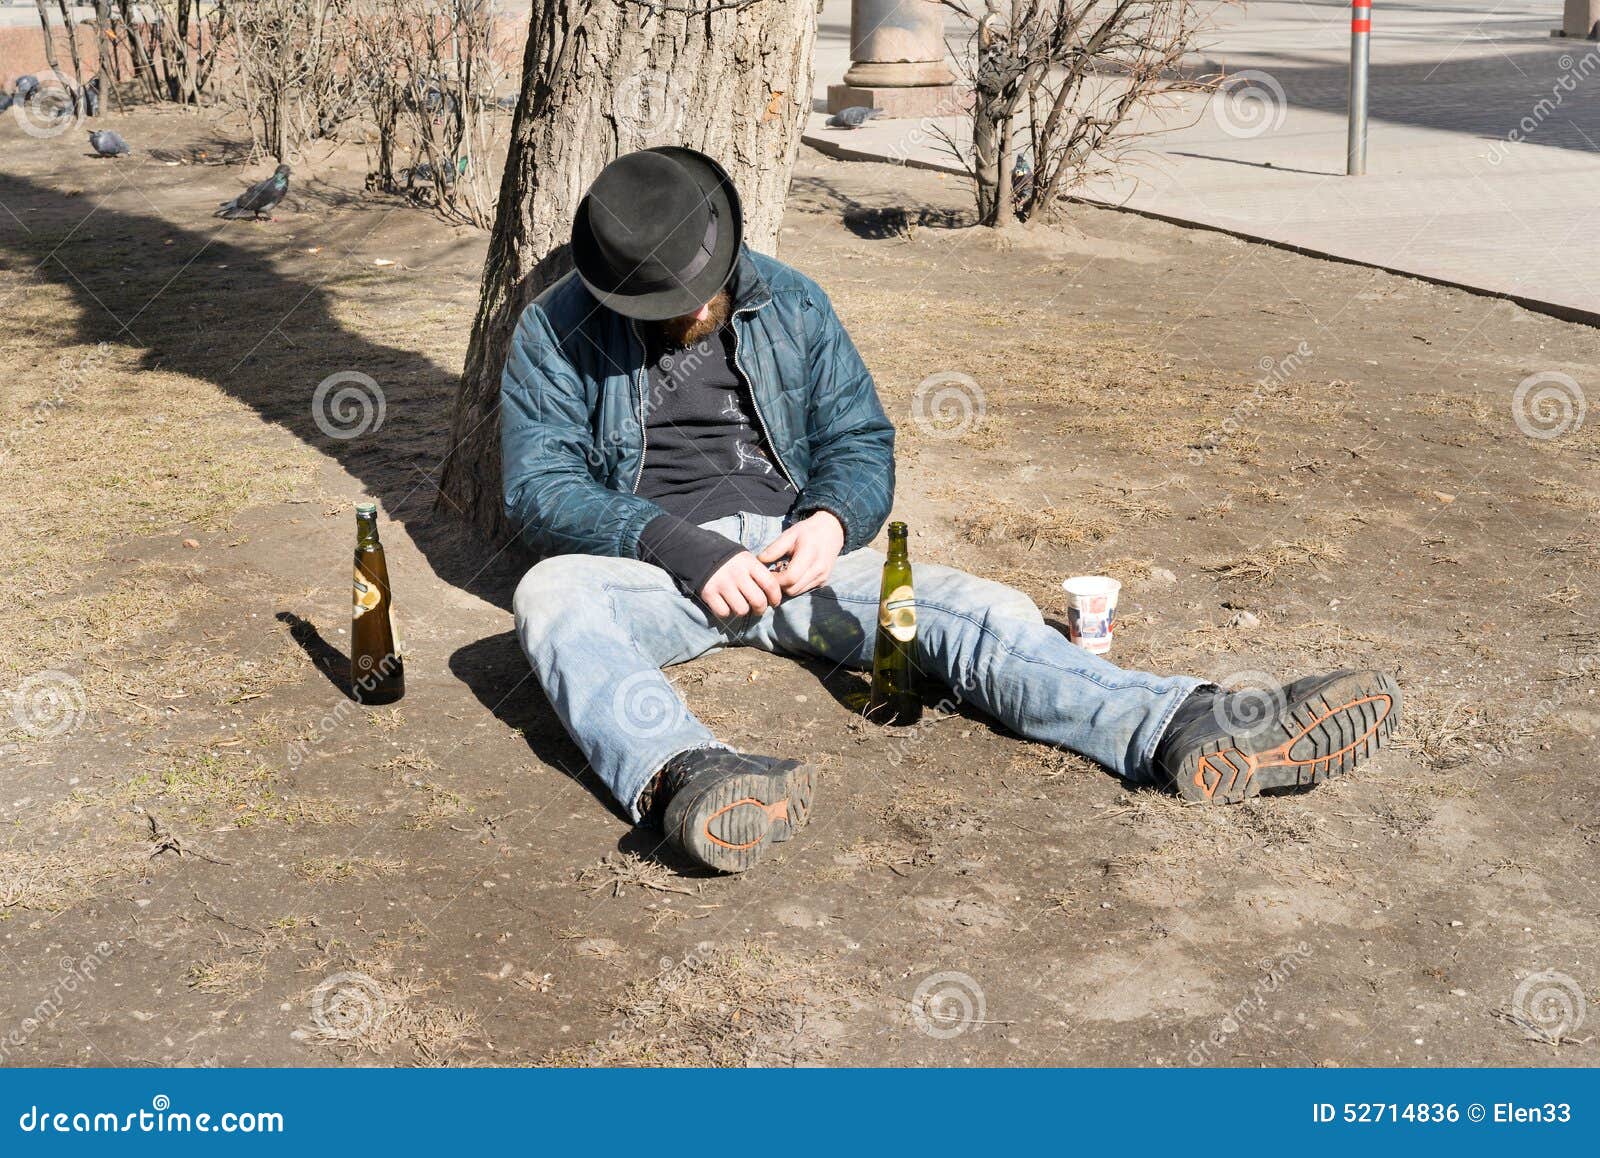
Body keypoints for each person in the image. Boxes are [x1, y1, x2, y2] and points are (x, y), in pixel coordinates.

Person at [501, 147, 1401, 874]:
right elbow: (539, 487)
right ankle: (689, 781)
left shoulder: (793, 300)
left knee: (981, 610)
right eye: (671, 302)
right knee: (550, 598)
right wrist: (680, 547)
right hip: (661, 573)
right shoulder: (554, 331)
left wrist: (829, 522)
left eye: (705, 283)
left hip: (796, 555)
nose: (697, 304)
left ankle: (1182, 727)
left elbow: (859, 437)